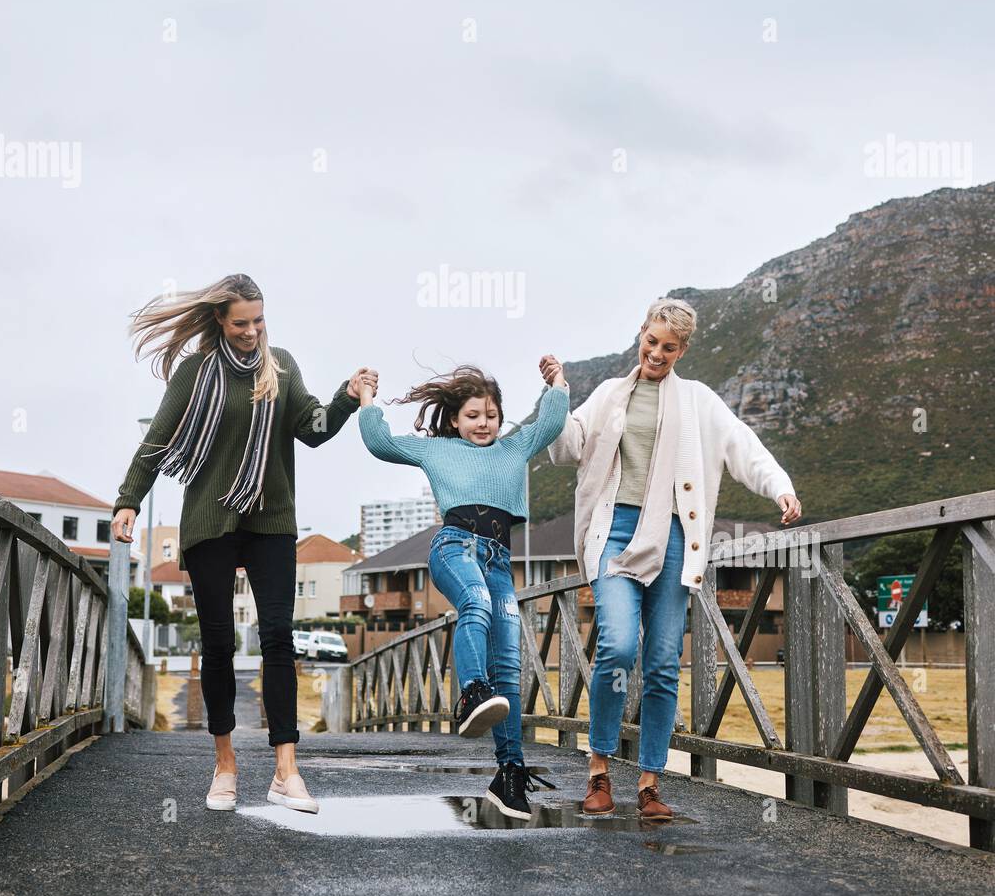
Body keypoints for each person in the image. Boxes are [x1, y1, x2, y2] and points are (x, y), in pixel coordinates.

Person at [111, 273, 375, 815]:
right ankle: (225, 765)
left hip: (272, 519)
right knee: (219, 643)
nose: (252, 331)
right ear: (219, 322)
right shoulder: (194, 373)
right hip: (211, 521)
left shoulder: (281, 365)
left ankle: (287, 770)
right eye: (241, 323)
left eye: (258, 320)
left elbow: (314, 427)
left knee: (279, 634)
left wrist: (346, 398)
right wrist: (128, 500)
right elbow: (156, 441)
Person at [543, 296, 801, 820]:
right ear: (641, 333)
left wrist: (780, 487)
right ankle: (598, 771)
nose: (657, 353)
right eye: (651, 341)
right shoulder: (611, 394)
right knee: (616, 645)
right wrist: (557, 394)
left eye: (669, 347)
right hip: (614, 531)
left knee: (662, 662)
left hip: (676, 535)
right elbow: (567, 446)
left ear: (682, 349)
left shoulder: (699, 401)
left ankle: (649, 784)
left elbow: (741, 446)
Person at [356, 361, 570, 820]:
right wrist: (368, 399)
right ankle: (472, 692)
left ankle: (509, 775)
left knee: (509, 667)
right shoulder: (439, 451)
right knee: (474, 603)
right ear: (455, 419)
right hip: (455, 547)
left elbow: (551, 421)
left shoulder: (515, 446)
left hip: (499, 559)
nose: (484, 424)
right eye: (474, 415)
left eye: (491, 415)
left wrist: (556, 382)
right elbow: (380, 443)